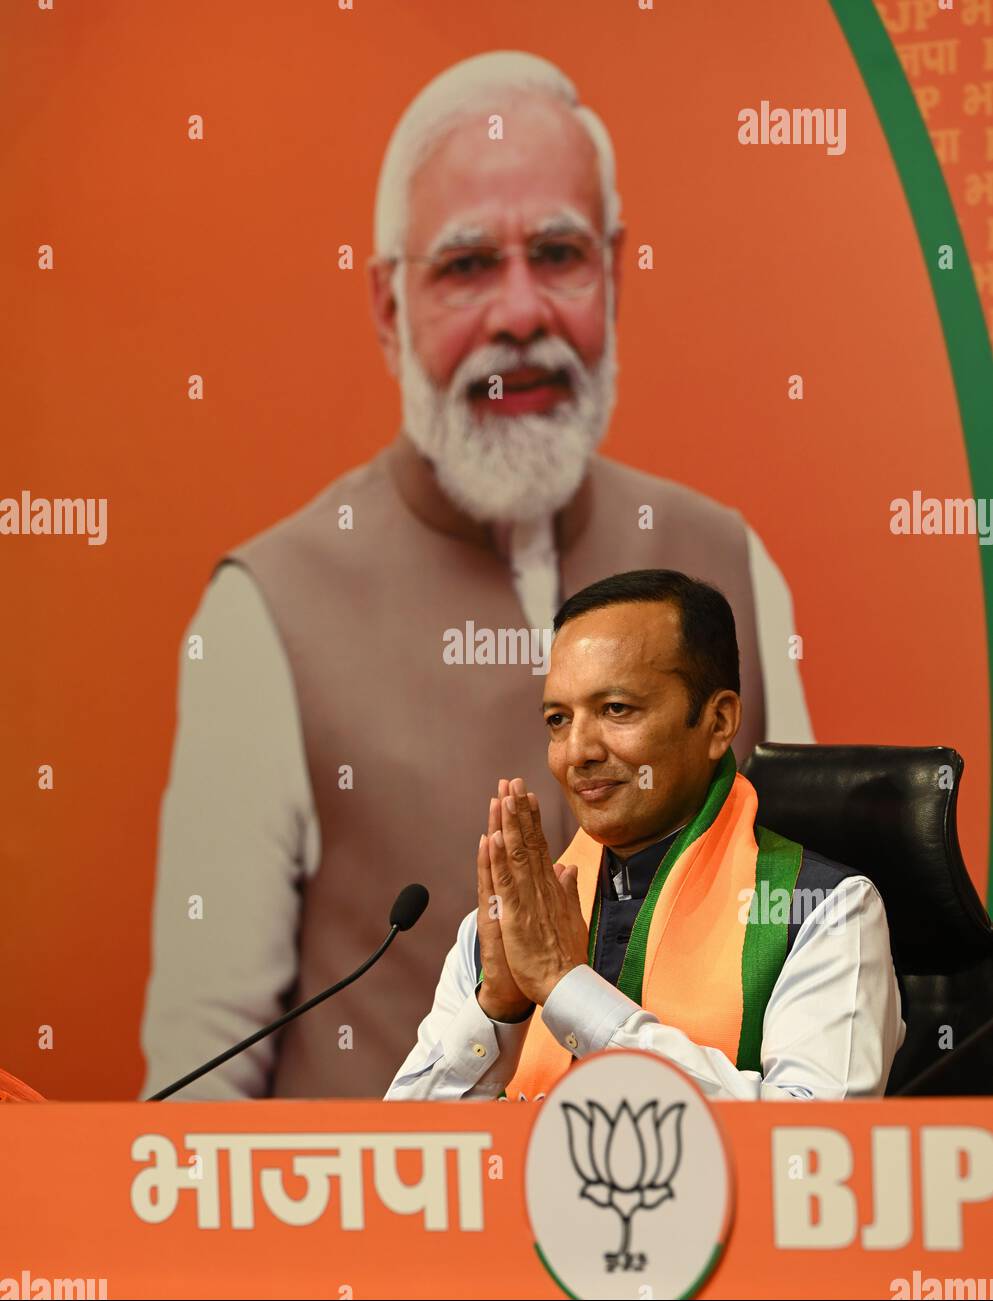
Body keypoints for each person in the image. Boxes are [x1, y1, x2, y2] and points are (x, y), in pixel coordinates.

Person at [140, 51, 813, 1103]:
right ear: (386, 304)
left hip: (693, 1233)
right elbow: (203, 1064)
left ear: (617, 273)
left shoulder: (730, 564)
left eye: (558, 254)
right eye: (463, 267)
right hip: (382, 1248)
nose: (519, 315)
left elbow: (798, 964)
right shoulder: (265, 611)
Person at [385, 570, 905, 1102]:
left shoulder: (821, 911)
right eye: (558, 719)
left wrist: (567, 990)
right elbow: (405, 1162)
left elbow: (814, 1146)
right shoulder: (510, 929)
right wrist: (497, 1007)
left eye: (616, 710)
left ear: (718, 721)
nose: (578, 751)